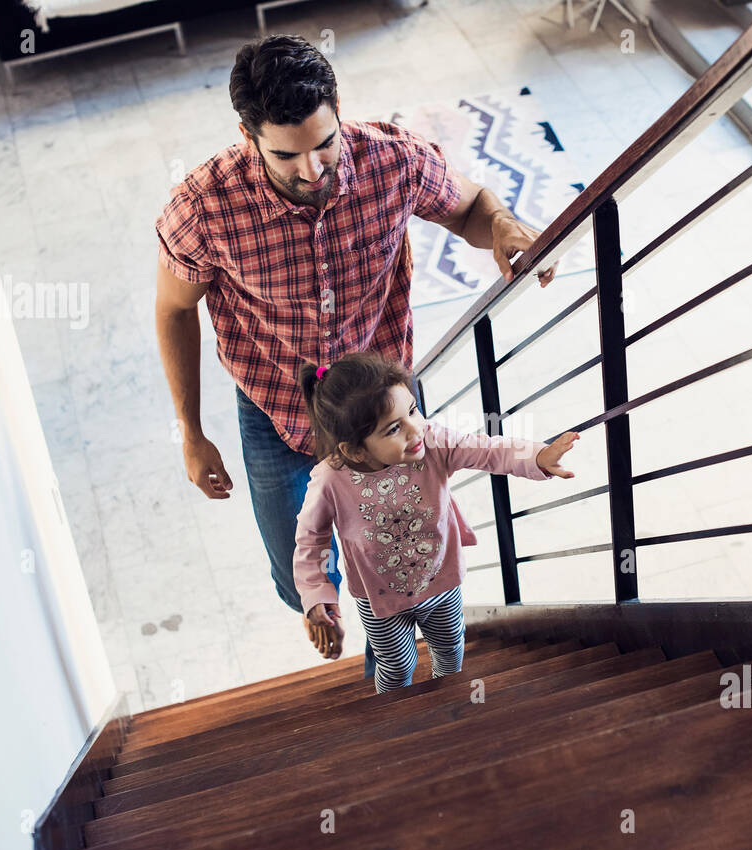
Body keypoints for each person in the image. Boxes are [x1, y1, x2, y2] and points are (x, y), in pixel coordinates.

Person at [153, 35, 558, 680]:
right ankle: (357, 621)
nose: (312, 170)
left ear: (338, 107)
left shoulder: (392, 159)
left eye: (324, 143)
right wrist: (191, 431)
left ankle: (401, 643)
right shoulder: (203, 208)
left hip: (385, 405)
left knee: (412, 552)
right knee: (300, 581)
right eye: (286, 155)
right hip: (278, 413)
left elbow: (472, 207)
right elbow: (175, 308)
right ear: (246, 134)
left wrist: (503, 224)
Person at [292, 351, 578, 693]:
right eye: (394, 428)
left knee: (450, 649)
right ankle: (397, 714)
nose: (416, 430)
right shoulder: (329, 480)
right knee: (396, 666)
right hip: (379, 600)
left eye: (412, 410)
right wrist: (317, 592)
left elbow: (486, 450)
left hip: (441, 580)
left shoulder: (432, 442)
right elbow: (312, 540)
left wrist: (536, 456)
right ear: (355, 451)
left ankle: (448, 700)